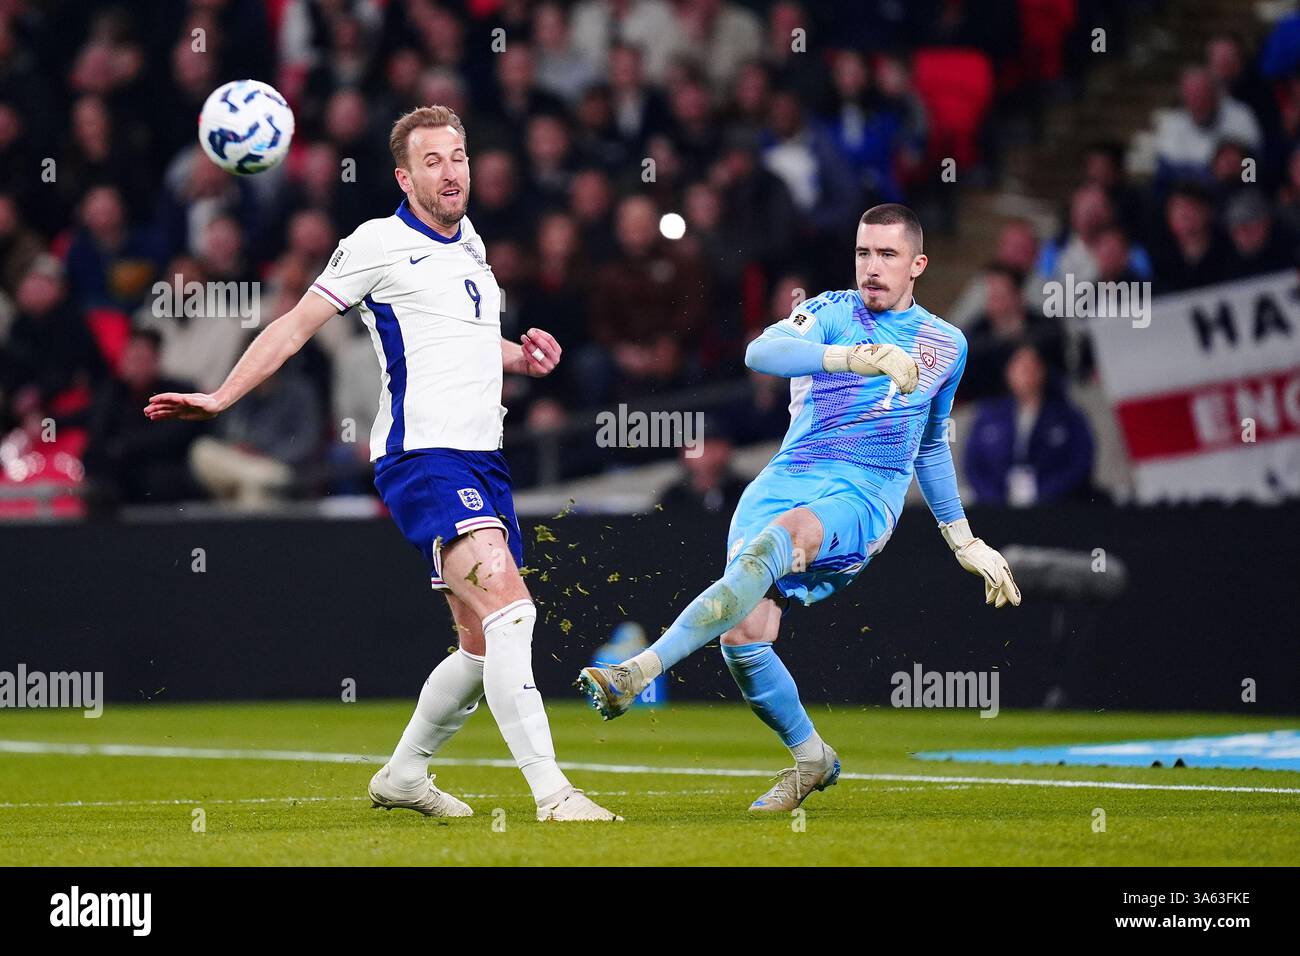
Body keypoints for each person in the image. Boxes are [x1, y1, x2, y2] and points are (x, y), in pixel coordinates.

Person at [144, 105, 619, 823]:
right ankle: (554, 795)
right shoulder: (376, 242)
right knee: (513, 612)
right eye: (433, 161)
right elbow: (295, 323)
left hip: (482, 459)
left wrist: (522, 357)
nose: (451, 171)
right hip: (424, 456)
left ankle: (402, 775)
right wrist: (220, 396)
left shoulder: (471, 245)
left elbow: (464, 341)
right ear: (405, 176)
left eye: (458, 156)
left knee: (480, 646)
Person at [578, 204, 1021, 813]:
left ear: (918, 264)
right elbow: (762, 352)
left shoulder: (946, 343)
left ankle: (640, 670)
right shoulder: (833, 312)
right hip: (784, 478)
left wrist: (963, 539)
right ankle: (812, 758)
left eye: (887, 255)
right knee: (745, 632)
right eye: (864, 252)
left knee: (773, 547)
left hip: (863, 493)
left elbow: (931, 442)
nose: (872, 267)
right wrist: (854, 357)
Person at [964, 344, 1094, 506]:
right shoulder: (988, 415)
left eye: (1032, 366)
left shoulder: (1066, 415)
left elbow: (1080, 462)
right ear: (1008, 372)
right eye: (1020, 367)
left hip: (1055, 506)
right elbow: (973, 465)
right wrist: (996, 499)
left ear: (1042, 371)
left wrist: (1044, 493)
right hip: (996, 507)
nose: (1026, 373)